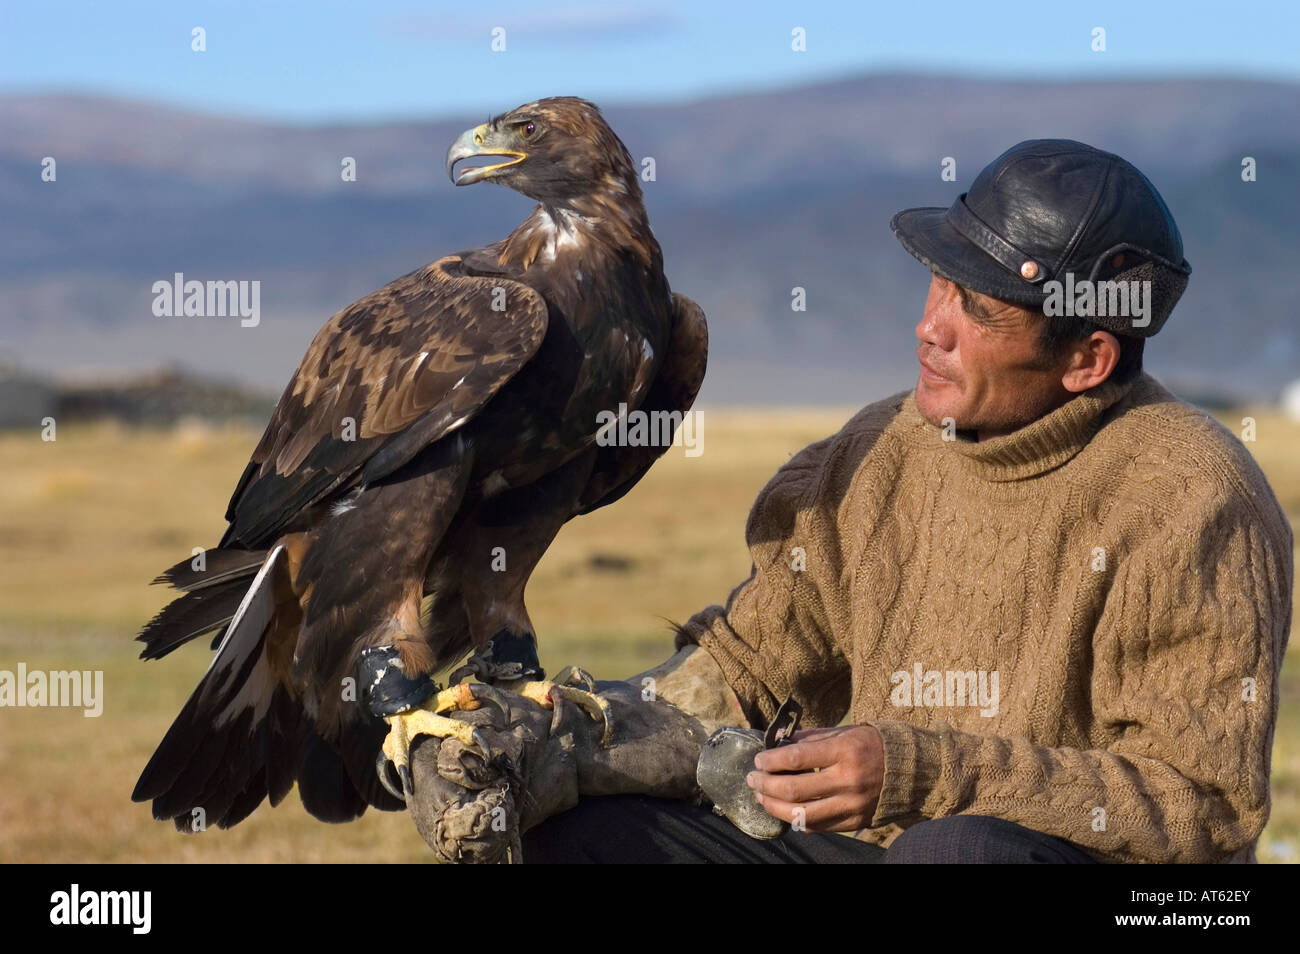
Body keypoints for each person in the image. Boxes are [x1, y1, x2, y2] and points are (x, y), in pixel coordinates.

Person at [418, 140, 1294, 864]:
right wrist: (566, 734)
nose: (930, 325)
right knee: (578, 834)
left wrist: (918, 771)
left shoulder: (1191, 494)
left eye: (979, 310)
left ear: (1088, 360)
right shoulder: (876, 453)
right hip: (892, 854)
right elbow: (749, 677)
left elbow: (1200, 805)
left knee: (959, 854)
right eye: (938, 282)